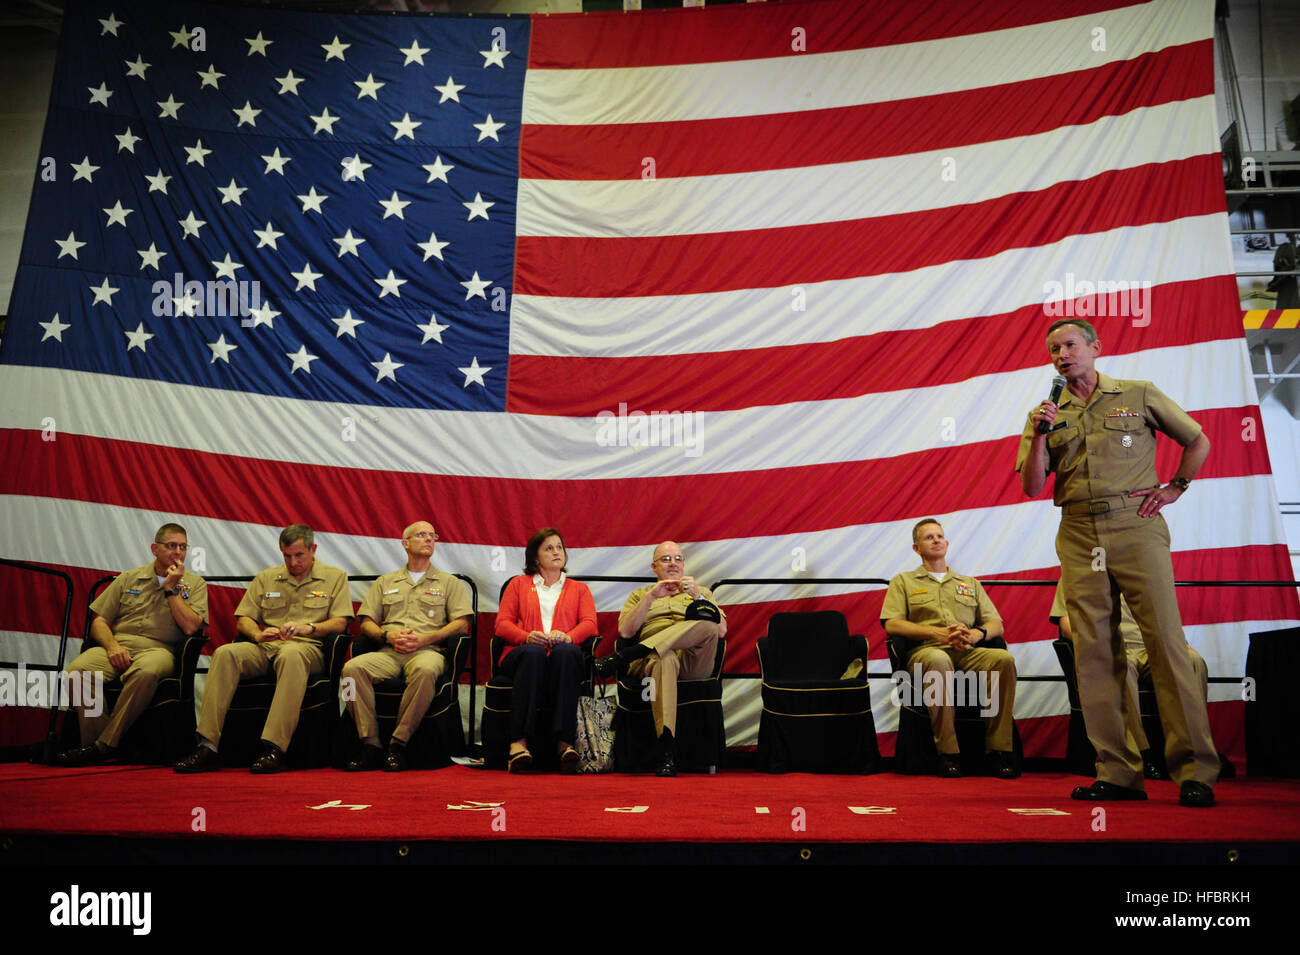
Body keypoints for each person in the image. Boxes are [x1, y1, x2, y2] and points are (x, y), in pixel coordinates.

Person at [1017, 318, 1218, 807]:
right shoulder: (1045, 413)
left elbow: (1197, 440)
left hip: (1136, 522)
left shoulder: (1138, 393)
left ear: (1094, 347)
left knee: (1165, 644)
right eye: (1053, 349)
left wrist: (1176, 487)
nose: (1061, 354)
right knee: (1096, 652)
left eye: (1069, 345)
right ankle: (1119, 772)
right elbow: (1031, 485)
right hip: (1079, 530)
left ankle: (1194, 771)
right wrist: (1041, 435)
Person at [174, 524, 351, 774]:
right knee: (225, 653)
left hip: (306, 648)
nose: (293, 562)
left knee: (291, 655)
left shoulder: (335, 576)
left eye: (299, 555)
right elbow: (243, 618)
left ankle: (274, 747)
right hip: (267, 645)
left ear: (313, 549)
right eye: (287, 556)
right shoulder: (267, 577)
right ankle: (207, 746)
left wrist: (307, 627)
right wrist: (257, 633)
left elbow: (340, 622)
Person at [56, 523, 207, 766]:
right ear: (154, 548)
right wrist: (113, 646)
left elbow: (191, 628)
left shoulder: (194, 584)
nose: (178, 552)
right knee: (77, 673)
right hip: (119, 644)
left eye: (183, 547)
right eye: (171, 546)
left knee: (145, 672)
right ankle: (98, 743)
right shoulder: (129, 577)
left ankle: (102, 745)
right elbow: (100, 622)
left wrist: (171, 589)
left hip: (159, 650)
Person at [880, 519, 1018, 779]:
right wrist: (936, 632)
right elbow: (892, 623)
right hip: (926, 650)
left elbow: (996, 623)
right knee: (938, 660)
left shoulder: (969, 582)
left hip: (967, 649)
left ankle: (999, 751)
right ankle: (948, 753)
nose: (936, 540)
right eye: (929, 537)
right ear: (916, 548)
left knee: (1002, 659)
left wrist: (977, 634)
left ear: (947, 543)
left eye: (940, 536)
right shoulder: (904, 582)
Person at [1049, 580, 1210, 780]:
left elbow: (1164, 618)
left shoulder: (1140, 570)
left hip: (1153, 647)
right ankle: (1143, 754)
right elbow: (1066, 626)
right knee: (1120, 668)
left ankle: (1193, 753)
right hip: (1113, 647)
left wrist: (1181, 644)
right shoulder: (1077, 572)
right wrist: (1100, 647)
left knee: (1192, 662)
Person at [343, 521, 471, 772]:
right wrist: (387, 636)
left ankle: (398, 744)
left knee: (425, 672)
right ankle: (370, 744)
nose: (429, 539)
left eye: (432, 535)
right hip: (389, 651)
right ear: (405, 543)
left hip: (427, 651)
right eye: (422, 535)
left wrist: (426, 639)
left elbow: (462, 624)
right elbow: (366, 622)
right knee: (350, 671)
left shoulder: (448, 582)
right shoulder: (385, 581)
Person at [595, 541, 724, 777]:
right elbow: (626, 632)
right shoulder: (640, 595)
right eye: (666, 559)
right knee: (664, 658)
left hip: (693, 662)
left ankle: (628, 655)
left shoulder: (702, 592)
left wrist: (697, 597)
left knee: (708, 625)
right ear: (654, 567)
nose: (673, 563)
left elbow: (721, 630)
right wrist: (651, 598)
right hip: (654, 663)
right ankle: (667, 752)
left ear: (684, 564)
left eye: (678, 558)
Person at [494, 527, 597, 773]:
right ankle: (518, 744)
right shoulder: (518, 584)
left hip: (562, 656)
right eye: (548, 548)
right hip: (522, 654)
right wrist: (526, 636)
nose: (556, 552)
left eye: (559, 547)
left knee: (566, 652)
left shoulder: (579, 589)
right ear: (535, 557)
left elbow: (590, 624)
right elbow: (501, 625)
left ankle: (564, 744)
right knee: (534, 653)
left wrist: (569, 637)